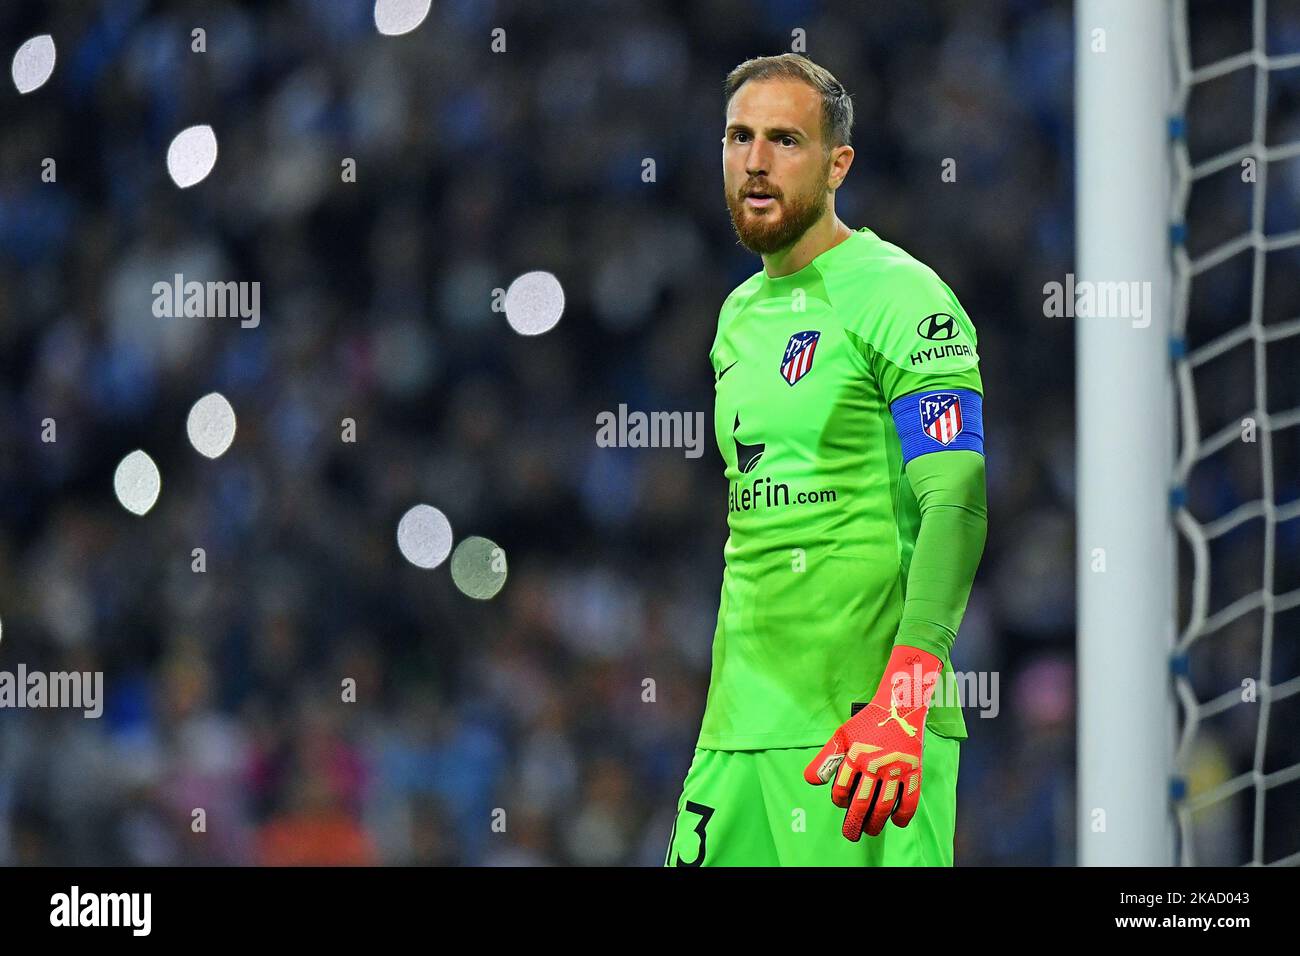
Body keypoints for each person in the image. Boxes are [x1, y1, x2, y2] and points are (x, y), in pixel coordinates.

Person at [665, 53, 988, 866]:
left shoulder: (900, 295)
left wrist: (905, 703)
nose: (756, 161)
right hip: (736, 735)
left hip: (863, 738)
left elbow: (957, 498)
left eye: (785, 140)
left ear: (838, 163)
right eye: (740, 137)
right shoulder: (736, 316)